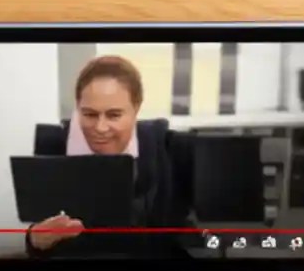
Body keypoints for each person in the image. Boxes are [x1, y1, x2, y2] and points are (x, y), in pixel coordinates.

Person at [25, 55, 195, 258]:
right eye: (89, 114)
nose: (100, 128)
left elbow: (193, 238)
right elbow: (41, 245)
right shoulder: (53, 145)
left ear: (136, 108)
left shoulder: (174, 150)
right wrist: (34, 239)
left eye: (114, 115)